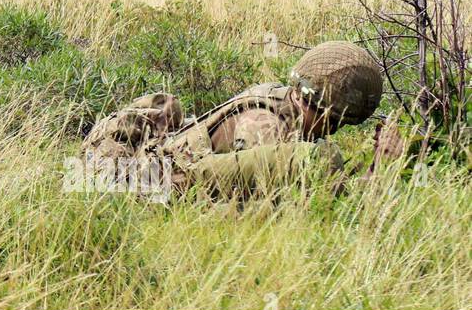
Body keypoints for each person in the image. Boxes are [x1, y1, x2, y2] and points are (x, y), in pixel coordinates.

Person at [81, 41, 385, 198]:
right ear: (329, 115)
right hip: (144, 177)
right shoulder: (265, 131)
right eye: (336, 123)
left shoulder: (281, 96)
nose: (334, 131)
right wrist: (375, 173)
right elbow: (309, 200)